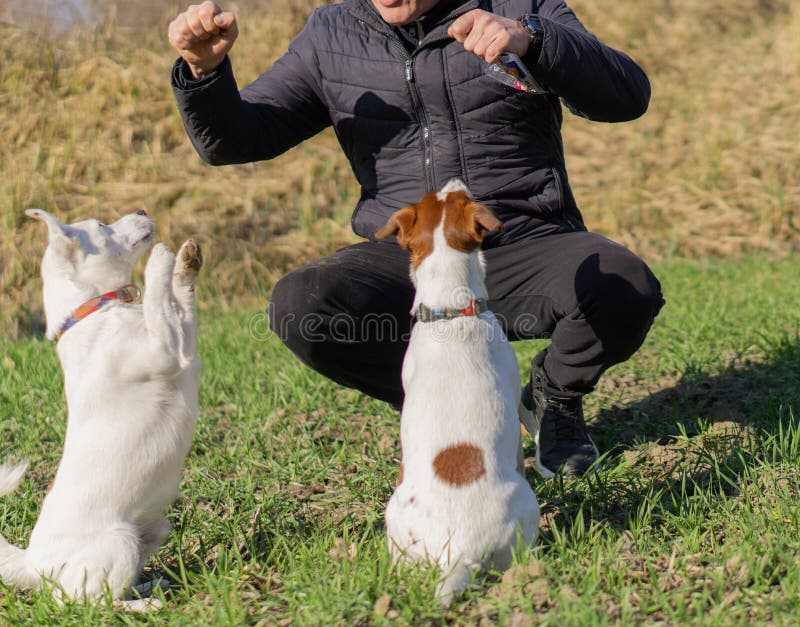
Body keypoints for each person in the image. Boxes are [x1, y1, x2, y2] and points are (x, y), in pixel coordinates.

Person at [169, 0, 665, 477]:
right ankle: (444, 405)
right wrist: (204, 73)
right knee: (303, 305)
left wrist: (533, 40)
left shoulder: (516, 5)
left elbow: (628, 96)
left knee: (624, 286)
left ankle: (551, 398)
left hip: (525, 242)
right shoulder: (330, 34)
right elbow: (234, 141)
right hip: (414, 260)